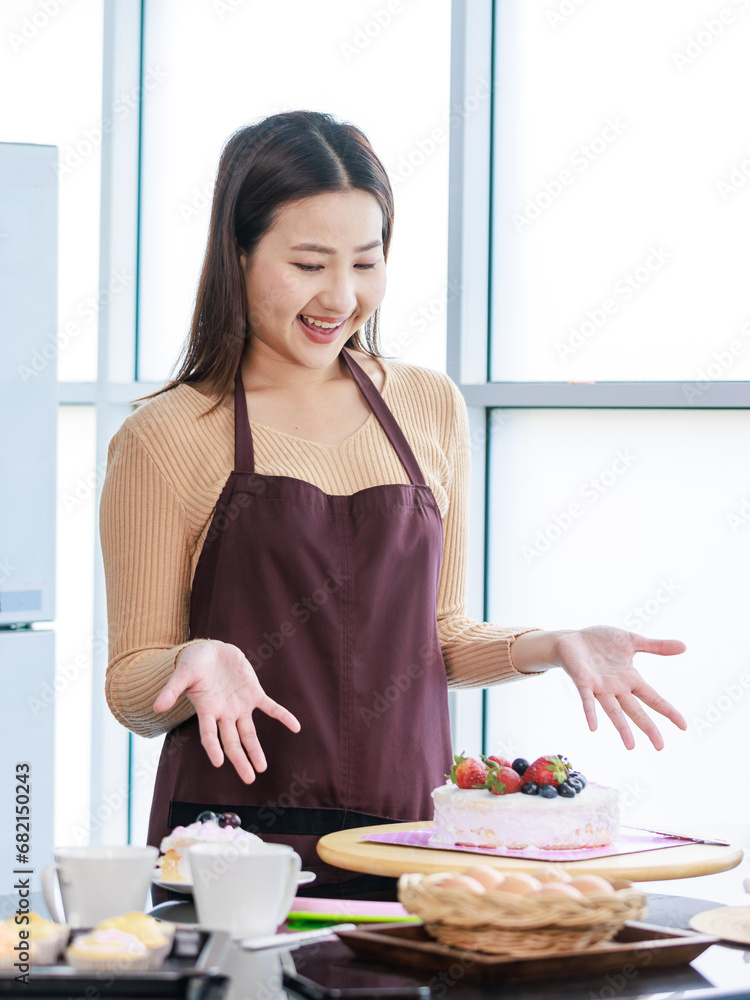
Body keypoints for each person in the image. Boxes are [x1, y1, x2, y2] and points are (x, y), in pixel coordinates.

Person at [100, 110, 687, 900]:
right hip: (231, 850)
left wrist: (555, 642)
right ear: (237, 255)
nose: (341, 297)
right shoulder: (167, 434)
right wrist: (186, 662)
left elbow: (438, 637)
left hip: (407, 839)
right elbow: (132, 685)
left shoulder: (428, 406)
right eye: (308, 263)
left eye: (366, 264)